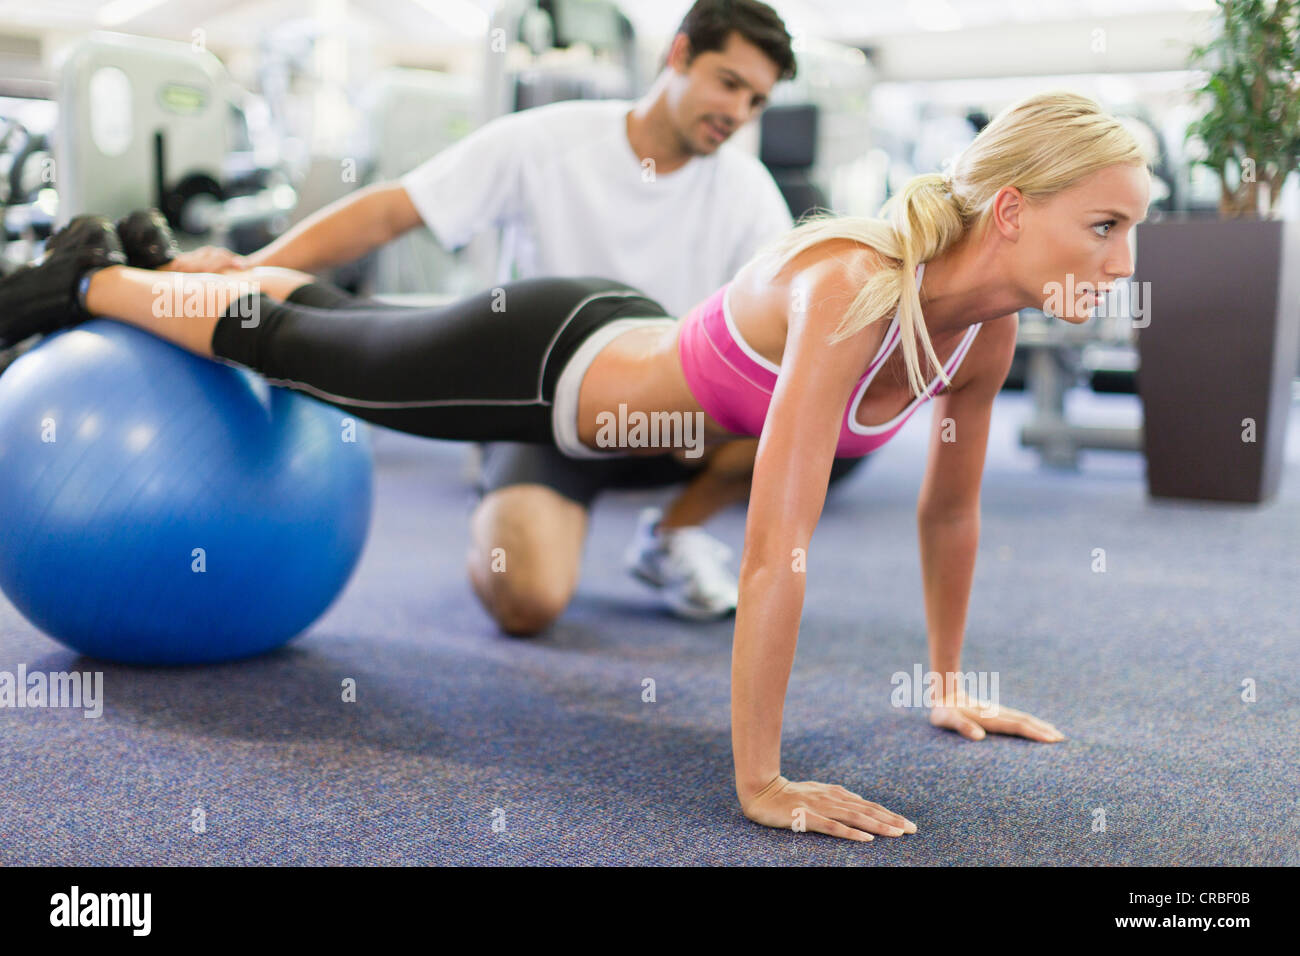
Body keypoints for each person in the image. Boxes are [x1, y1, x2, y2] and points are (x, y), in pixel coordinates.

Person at [0, 91, 1147, 841]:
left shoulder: (981, 331)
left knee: (357, 324)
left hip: (620, 354)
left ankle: (172, 264)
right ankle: (82, 282)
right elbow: (774, 544)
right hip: (545, 368)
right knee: (306, 351)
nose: (1124, 256)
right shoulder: (855, 287)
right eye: (1103, 224)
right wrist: (761, 779)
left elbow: (950, 517)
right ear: (1009, 211)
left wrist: (945, 681)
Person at [166, 0, 816, 633]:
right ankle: (501, 476)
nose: (736, 112)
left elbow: (785, 329)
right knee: (525, 600)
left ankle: (673, 534)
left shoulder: (746, 190)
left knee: (810, 419)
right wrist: (253, 270)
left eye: (755, 100)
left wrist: (719, 406)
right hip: (546, 413)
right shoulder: (549, 140)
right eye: (728, 84)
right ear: (679, 55)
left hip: (677, 419)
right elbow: (394, 210)